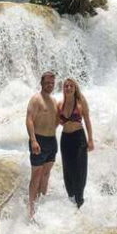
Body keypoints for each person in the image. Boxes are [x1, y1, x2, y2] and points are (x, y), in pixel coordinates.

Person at [25, 71, 59, 221]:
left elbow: (57, 120)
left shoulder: (54, 101)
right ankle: (31, 210)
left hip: (52, 141)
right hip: (38, 141)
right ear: (42, 83)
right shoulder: (36, 99)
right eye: (47, 83)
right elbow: (29, 120)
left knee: (46, 174)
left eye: (52, 83)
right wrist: (33, 140)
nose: (49, 85)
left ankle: (41, 205)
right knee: (36, 175)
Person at [57, 78, 94, 208]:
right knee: (67, 170)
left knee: (80, 169)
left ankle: (80, 199)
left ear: (75, 88)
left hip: (79, 138)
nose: (68, 88)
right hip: (65, 139)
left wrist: (90, 139)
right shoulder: (60, 104)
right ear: (63, 88)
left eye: (71, 86)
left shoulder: (80, 101)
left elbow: (88, 120)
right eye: (66, 86)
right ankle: (71, 199)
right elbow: (55, 123)